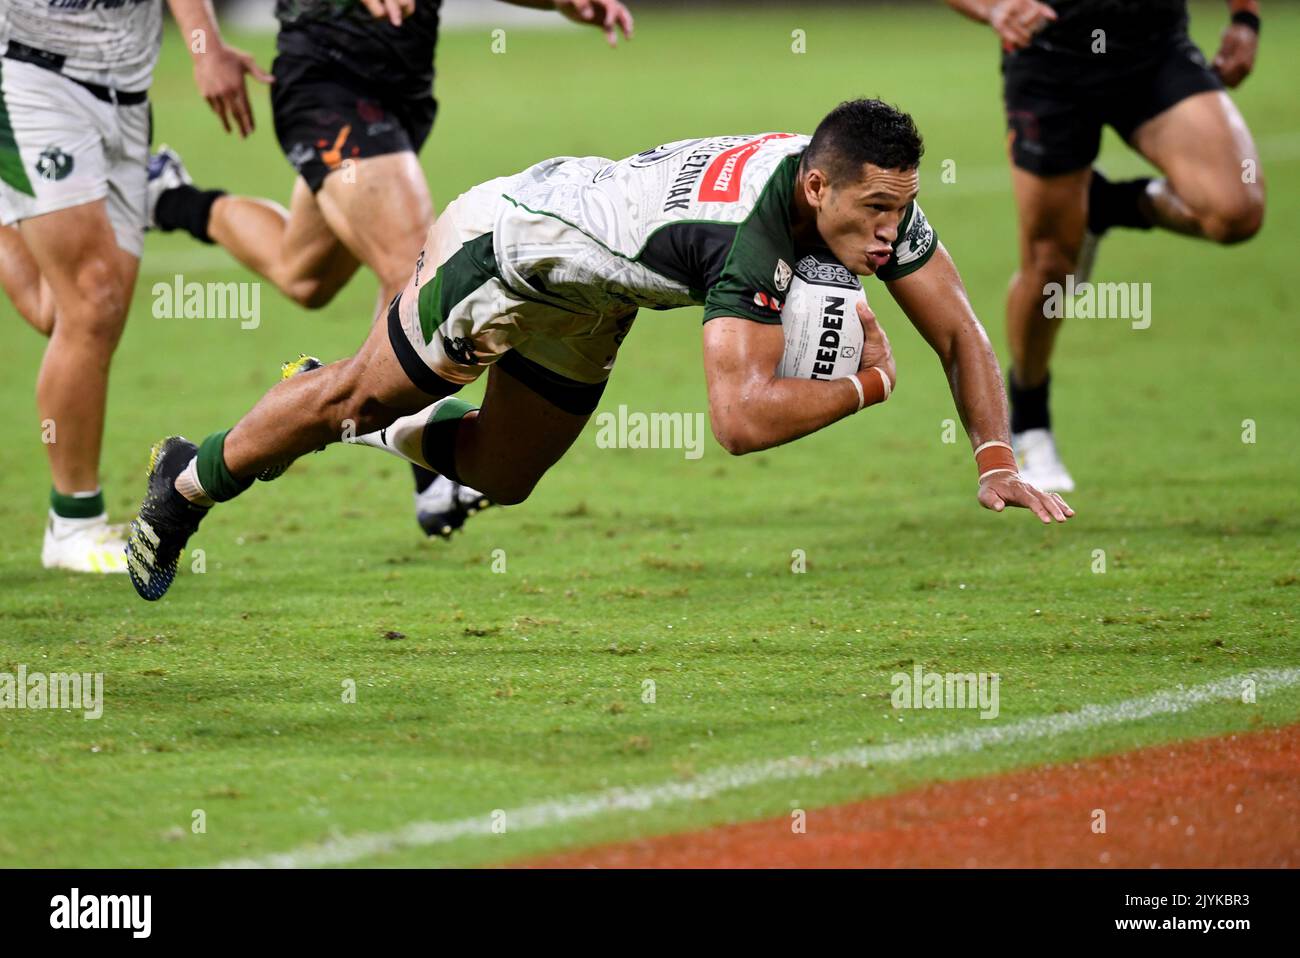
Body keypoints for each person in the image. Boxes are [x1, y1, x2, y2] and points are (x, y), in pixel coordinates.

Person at [125, 99, 1074, 601]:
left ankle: (373, 435)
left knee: (503, 473)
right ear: (818, 188)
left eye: (900, 211)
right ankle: (189, 480)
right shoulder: (750, 235)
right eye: (875, 213)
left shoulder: (858, 193)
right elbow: (739, 423)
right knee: (353, 398)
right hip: (506, 248)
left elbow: (958, 329)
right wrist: (869, 384)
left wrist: (994, 459)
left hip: (595, 290)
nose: (889, 236)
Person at [149, 0, 634, 537]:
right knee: (411, 266)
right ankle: (427, 480)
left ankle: (169, 196)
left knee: (303, 273)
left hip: (399, 89)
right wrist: (204, 44)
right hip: (329, 78)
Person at [945, 0, 1266, 491]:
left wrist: (1245, 19)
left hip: (1154, 51)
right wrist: (992, 9)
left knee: (1236, 209)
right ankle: (1030, 422)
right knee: (1050, 264)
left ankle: (1105, 205)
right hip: (1050, 58)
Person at [0, 0, 232, 572]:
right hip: (33, 77)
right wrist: (205, 48)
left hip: (127, 94)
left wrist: (207, 46)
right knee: (94, 302)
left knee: (64, 313)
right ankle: (73, 522)